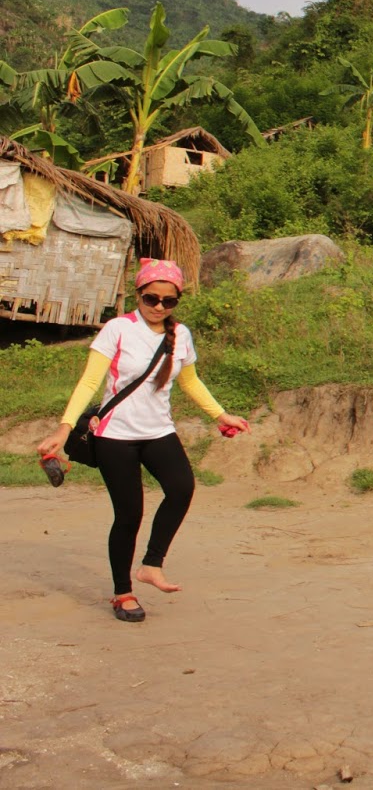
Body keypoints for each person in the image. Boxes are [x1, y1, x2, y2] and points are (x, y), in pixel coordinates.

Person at [35, 258, 250, 623]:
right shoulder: (118, 329)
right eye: (152, 298)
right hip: (115, 437)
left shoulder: (180, 335)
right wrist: (63, 428)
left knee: (182, 488)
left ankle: (152, 564)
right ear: (138, 295)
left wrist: (220, 414)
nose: (160, 307)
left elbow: (190, 381)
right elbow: (90, 383)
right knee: (129, 514)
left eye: (169, 301)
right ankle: (122, 593)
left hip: (159, 431)